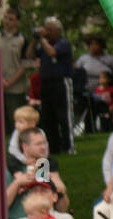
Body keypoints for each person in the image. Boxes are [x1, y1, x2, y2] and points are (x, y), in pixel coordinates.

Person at [34, 17, 72, 155]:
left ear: (57, 30)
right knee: (48, 117)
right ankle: (54, 147)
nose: (47, 32)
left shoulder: (63, 43)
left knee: (63, 115)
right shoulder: (42, 45)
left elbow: (52, 52)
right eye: (46, 28)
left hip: (60, 82)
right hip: (46, 84)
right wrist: (35, 39)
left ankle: (68, 146)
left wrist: (42, 39)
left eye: (50, 29)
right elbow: (28, 54)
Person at [0, 8, 31, 137]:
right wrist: (0, 79)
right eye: (5, 18)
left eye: (11, 19)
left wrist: (10, 81)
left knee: (17, 123)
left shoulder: (22, 40)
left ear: (17, 22)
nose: (7, 22)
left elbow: (25, 64)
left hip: (16, 89)